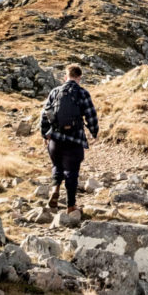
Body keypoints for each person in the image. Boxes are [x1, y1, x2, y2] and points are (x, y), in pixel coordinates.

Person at [39, 64, 99, 214]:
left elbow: (45, 114)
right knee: (72, 172)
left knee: (57, 165)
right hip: (74, 139)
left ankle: (55, 188)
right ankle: (70, 205)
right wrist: (94, 132)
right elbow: (91, 115)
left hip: (56, 140)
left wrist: (45, 133)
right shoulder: (82, 92)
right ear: (79, 78)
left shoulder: (55, 92)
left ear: (65, 77)